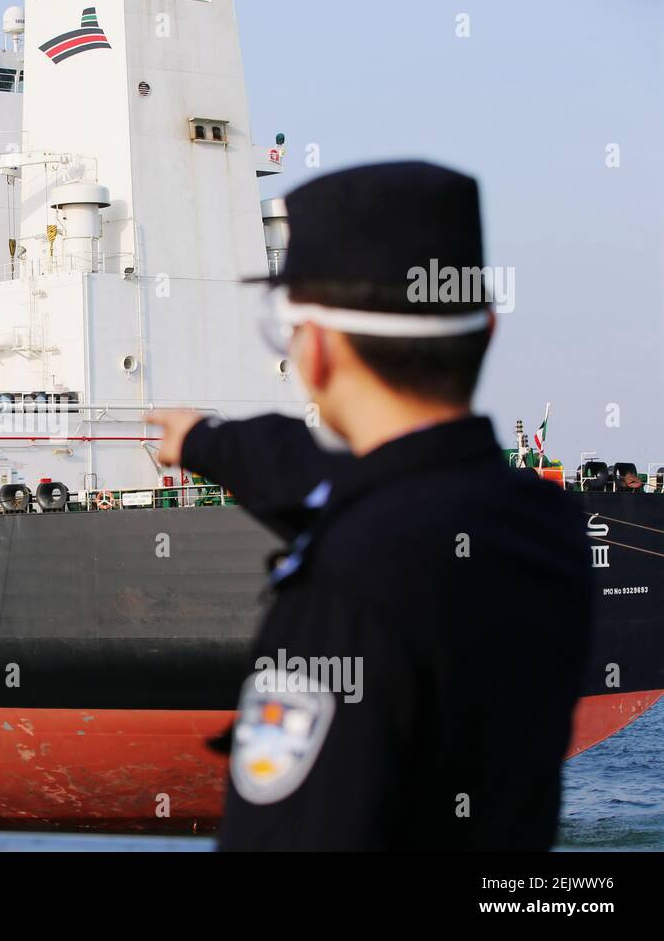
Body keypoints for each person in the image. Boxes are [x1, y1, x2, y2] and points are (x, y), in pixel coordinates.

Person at [148, 161, 592, 850]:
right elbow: (355, 476)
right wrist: (206, 442)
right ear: (486, 330)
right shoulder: (539, 524)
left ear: (316, 349)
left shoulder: (345, 581)